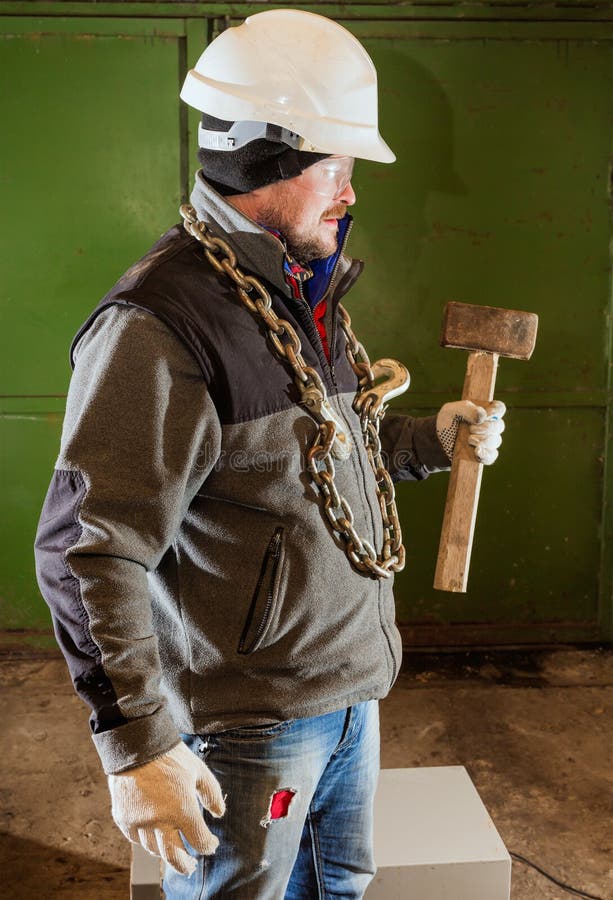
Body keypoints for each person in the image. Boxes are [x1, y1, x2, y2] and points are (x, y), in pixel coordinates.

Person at [34, 9, 505, 899]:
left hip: (350, 692)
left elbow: (320, 460)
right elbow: (88, 547)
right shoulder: (159, 324)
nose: (350, 191)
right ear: (268, 158)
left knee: (341, 887)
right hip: (250, 721)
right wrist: (137, 745)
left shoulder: (295, 287)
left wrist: (433, 439)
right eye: (336, 164)